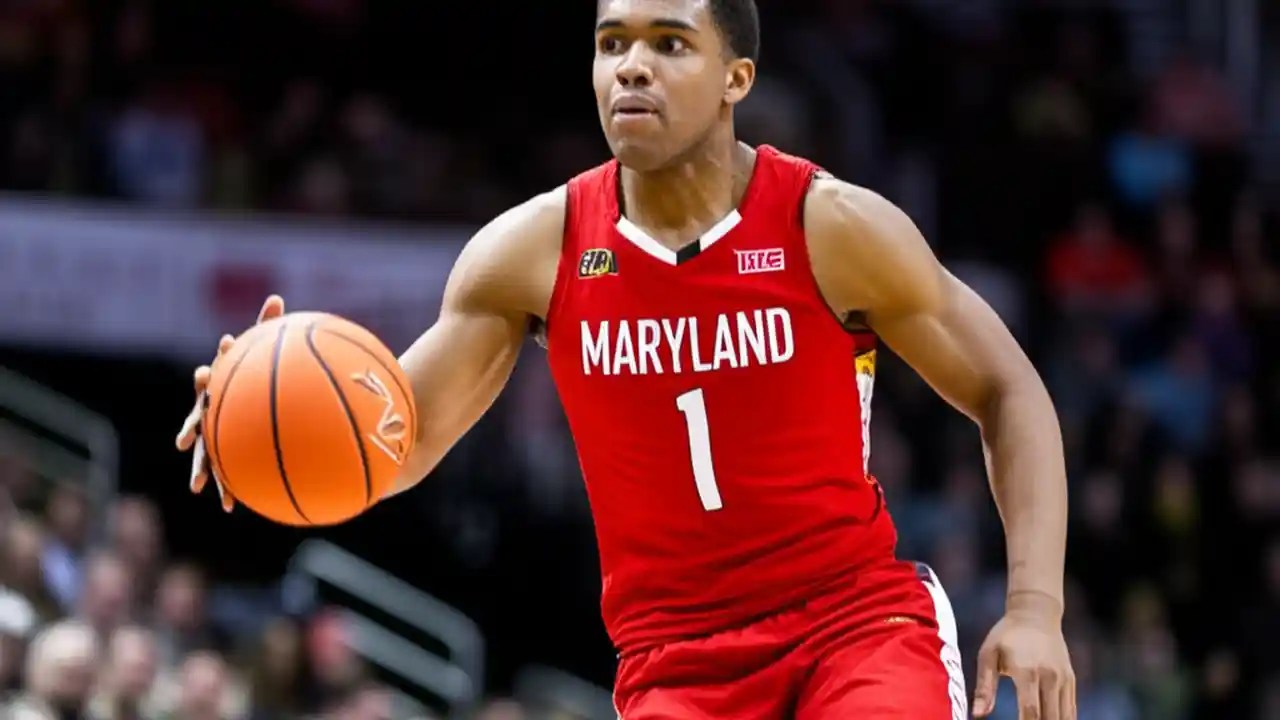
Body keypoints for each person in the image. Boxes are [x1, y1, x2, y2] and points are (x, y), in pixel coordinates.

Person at [177, 0, 1075, 717]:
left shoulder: (830, 226)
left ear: (736, 77)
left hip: (853, 627)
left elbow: (1008, 387)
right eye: (612, 44)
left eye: (669, 43)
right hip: (674, 664)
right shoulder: (532, 252)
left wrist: (1035, 609)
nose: (632, 66)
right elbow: (394, 442)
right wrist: (258, 416)